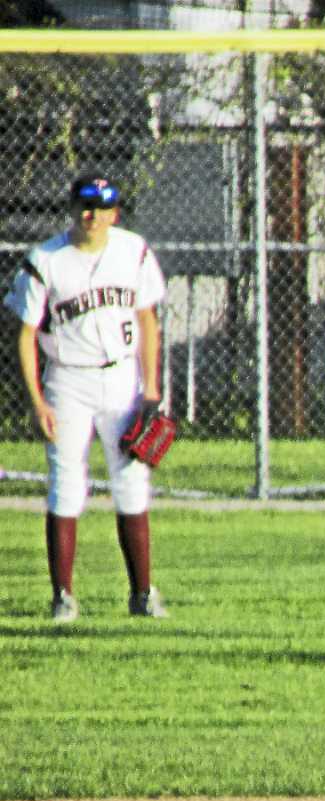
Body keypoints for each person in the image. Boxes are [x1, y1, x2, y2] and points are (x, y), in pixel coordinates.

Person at [8, 174, 169, 623]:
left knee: (131, 481)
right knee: (66, 484)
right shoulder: (46, 259)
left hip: (121, 378)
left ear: (115, 212)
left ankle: (143, 593)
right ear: (72, 208)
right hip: (67, 380)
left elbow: (148, 320)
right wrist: (37, 400)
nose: (92, 215)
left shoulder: (132, 250)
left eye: (102, 207)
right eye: (85, 205)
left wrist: (151, 387)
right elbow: (24, 335)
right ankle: (63, 595)